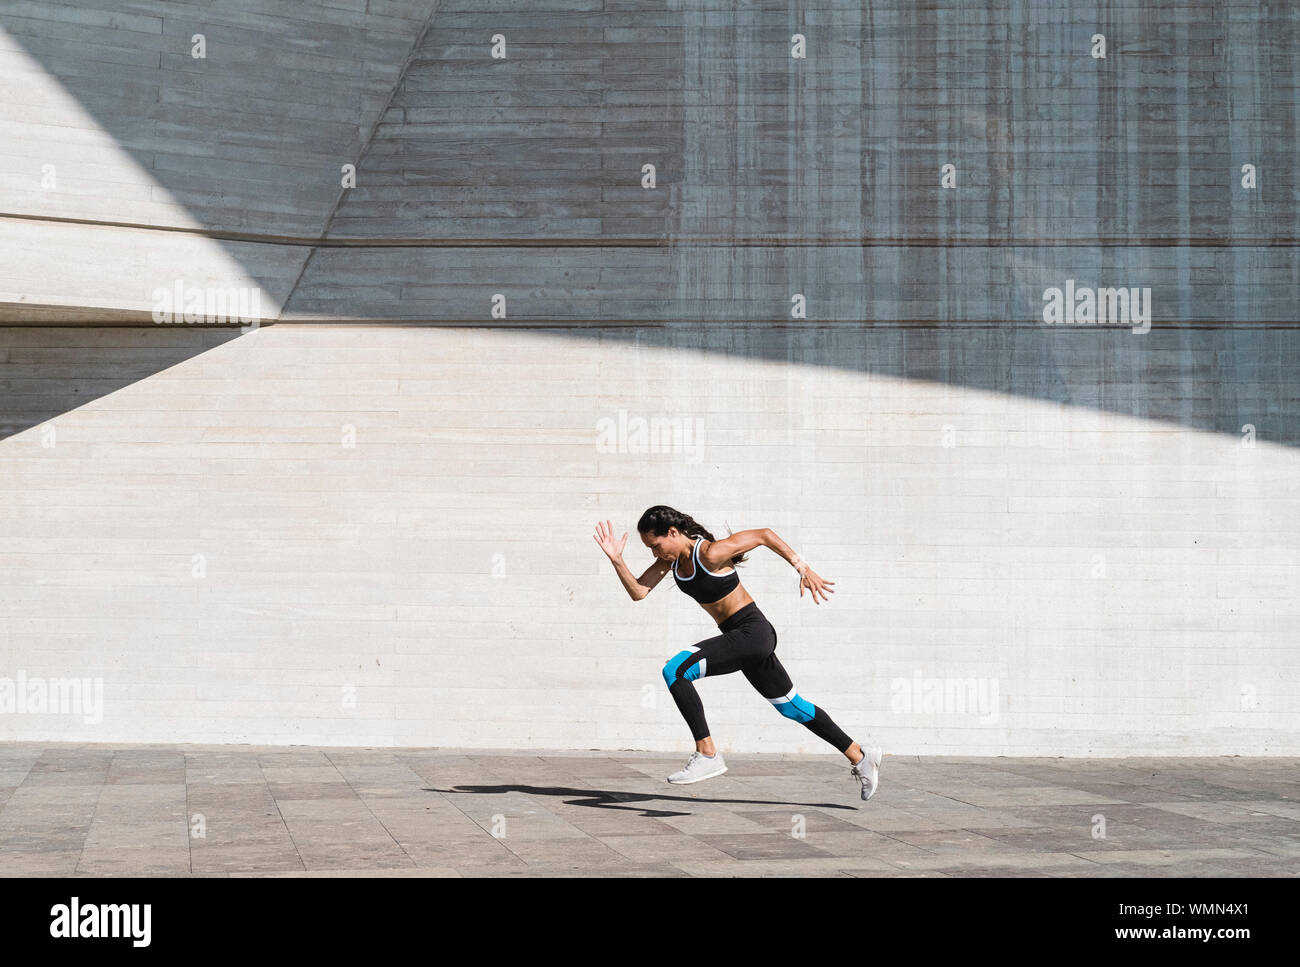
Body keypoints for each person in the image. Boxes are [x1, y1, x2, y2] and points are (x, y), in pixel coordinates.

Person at [593, 505, 882, 801]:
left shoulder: (709, 554)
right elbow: (639, 591)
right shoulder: (672, 563)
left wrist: (802, 567)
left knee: (676, 670)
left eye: (656, 546)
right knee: (791, 706)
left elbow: (764, 535)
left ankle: (707, 753)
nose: (655, 553)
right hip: (741, 638)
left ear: (673, 533)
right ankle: (860, 755)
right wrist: (617, 560)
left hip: (752, 632)